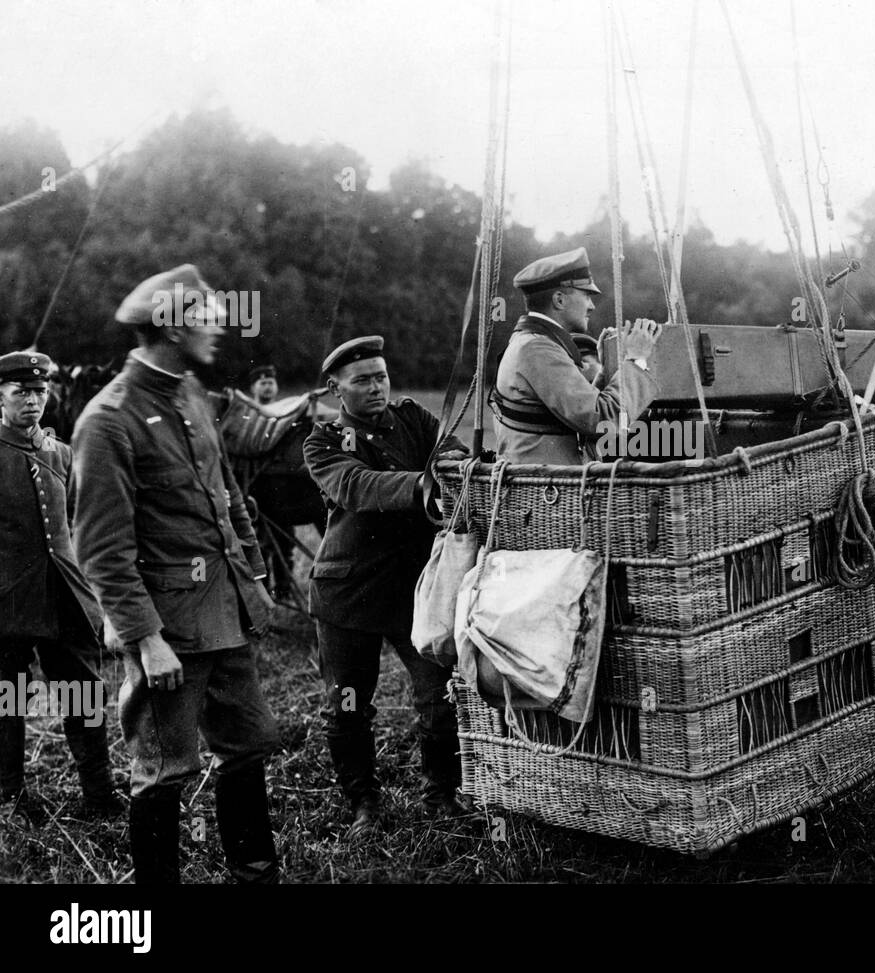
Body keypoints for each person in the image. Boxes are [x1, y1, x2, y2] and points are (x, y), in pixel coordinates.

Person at [73, 265, 281, 884]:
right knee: (164, 768)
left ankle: (255, 873)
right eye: (202, 316)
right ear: (168, 326)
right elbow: (103, 548)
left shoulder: (191, 392)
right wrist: (145, 639)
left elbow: (227, 496)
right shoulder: (107, 420)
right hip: (170, 629)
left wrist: (256, 578)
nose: (217, 324)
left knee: (248, 746)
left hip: (226, 612)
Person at [304, 335, 465, 836]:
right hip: (347, 596)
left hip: (415, 594)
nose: (376, 388)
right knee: (349, 705)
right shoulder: (324, 441)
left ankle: (441, 794)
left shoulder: (414, 420)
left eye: (381, 377)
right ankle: (364, 804)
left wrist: (460, 466)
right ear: (336, 390)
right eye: (361, 381)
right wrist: (423, 483)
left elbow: (453, 453)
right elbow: (355, 485)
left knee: (440, 698)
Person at [0, 351, 120, 824]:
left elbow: (78, 527)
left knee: (83, 696)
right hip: (8, 604)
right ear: (0, 395)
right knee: (8, 702)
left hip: (65, 598)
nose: (33, 401)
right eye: (21, 391)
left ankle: (100, 795)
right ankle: (10, 799)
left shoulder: (60, 453)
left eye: (40, 391)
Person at [492, 246, 662, 464]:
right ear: (559, 300)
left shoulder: (534, 343)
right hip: (551, 492)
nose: (591, 306)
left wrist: (603, 369)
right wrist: (637, 360)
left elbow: (581, 409)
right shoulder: (538, 349)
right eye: (586, 296)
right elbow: (604, 421)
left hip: (550, 484)